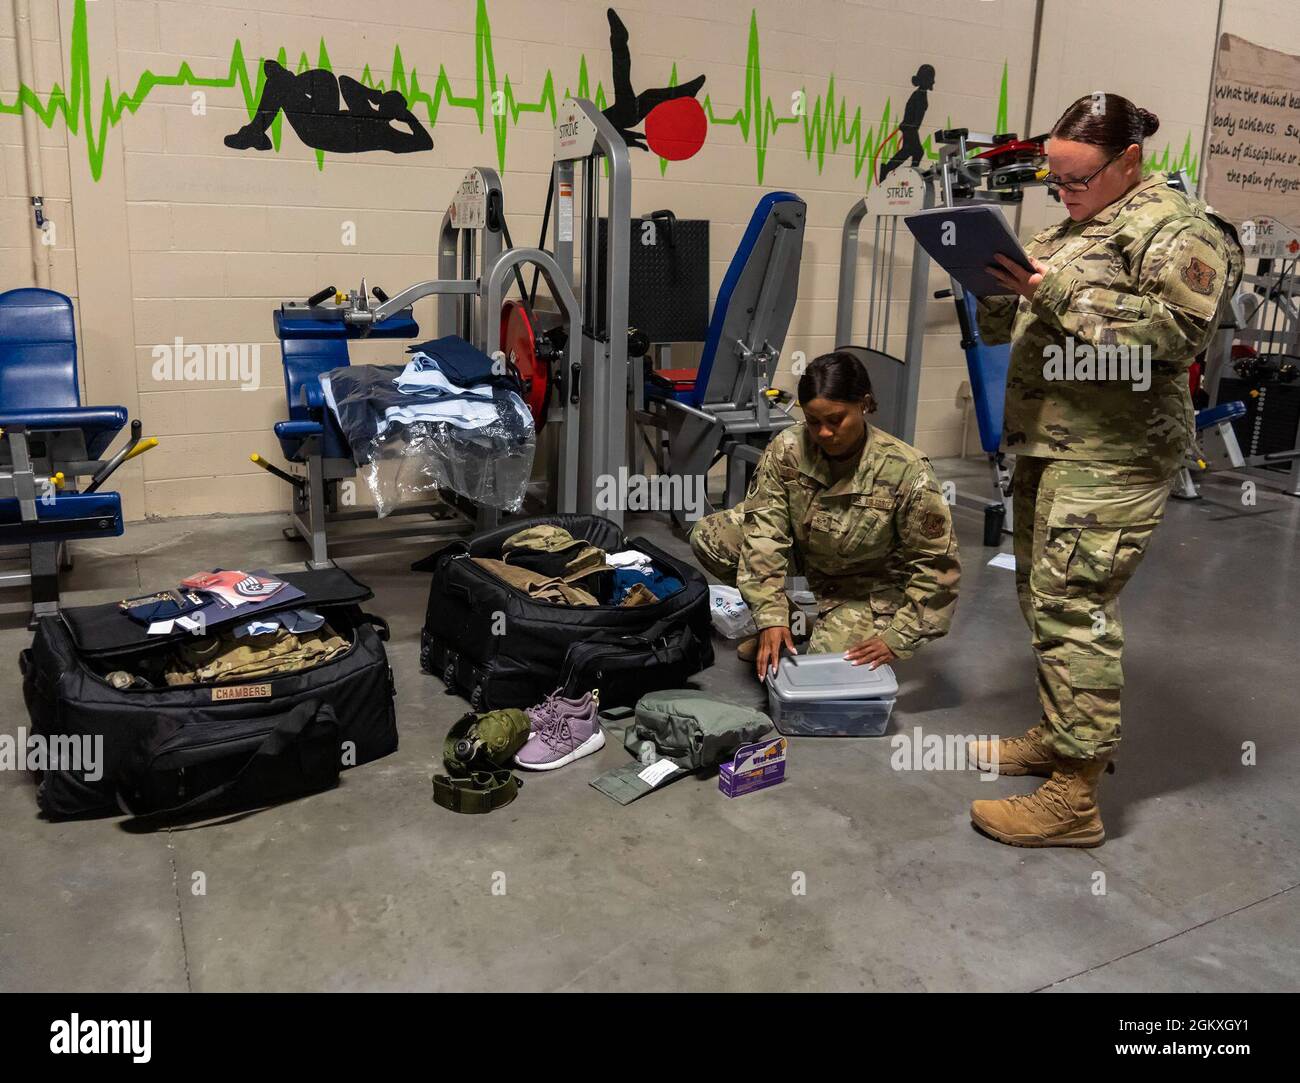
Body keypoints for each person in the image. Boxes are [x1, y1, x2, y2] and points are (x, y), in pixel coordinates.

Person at [968, 93, 1243, 848]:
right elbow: (1037, 316)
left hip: (1115, 453)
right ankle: (1063, 738)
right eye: (1053, 179)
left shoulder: (1181, 231)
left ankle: (1076, 798)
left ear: (1128, 159)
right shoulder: (1074, 223)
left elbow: (1176, 336)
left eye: (1077, 177)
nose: (1062, 192)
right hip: (1054, 444)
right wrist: (997, 291)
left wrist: (1048, 288)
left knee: (1073, 604)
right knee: (1040, 596)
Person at [690, 352, 961, 681]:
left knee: (823, 675)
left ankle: (835, 625)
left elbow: (937, 567)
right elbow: (765, 534)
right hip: (809, 554)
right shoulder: (788, 449)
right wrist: (771, 615)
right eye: (814, 421)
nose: (824, 433)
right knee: (712, 536)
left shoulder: (905, 470)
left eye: (835, 420)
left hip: (866, 585)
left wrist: (898, 638)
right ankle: (790, 623)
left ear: (864, 404)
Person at [225, 60, 432, 154]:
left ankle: (255, 130)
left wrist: (405, 115)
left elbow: (426, 143)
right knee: (326, 77)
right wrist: (373, 95)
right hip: (325, 117)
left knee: (278, 83)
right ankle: (284, 82)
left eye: (387, 98)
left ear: (394, 111)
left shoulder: (386, 135)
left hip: (317, 132)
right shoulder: (368, 113)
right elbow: (343, 81)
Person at [878, 64, 935, 183]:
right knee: (916, 151)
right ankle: (911, 174)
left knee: (908, 151)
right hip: (910, 128)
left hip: (910, 127)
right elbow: (913, 114)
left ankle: (888, 169)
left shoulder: (919, 94)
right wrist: (910, 125)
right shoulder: (919, 95)